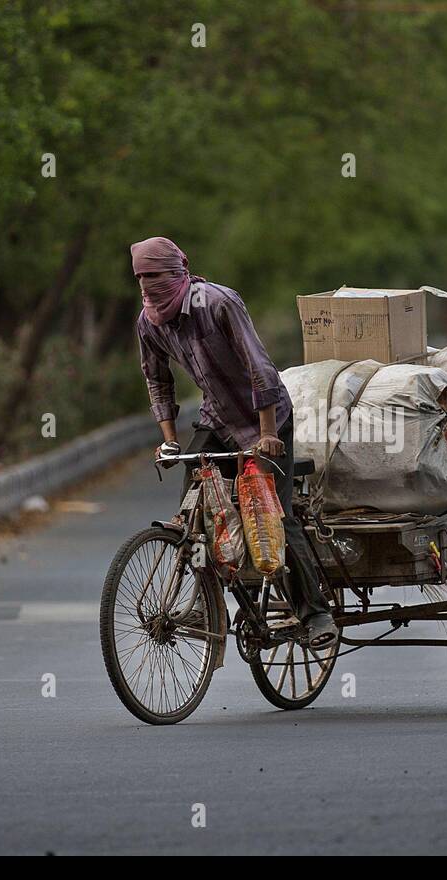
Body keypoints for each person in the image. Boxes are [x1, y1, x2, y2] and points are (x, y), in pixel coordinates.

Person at [131, 236, 338, 650]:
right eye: (139, 276)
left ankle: (315, 613)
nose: (146, 284)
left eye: (153, 275)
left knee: (273, 515)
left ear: (177, 272)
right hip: (216, 417)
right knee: (196, 514)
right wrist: (170, 442)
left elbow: (258, 366)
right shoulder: (149, 322)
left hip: (267, 416)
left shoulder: (217, 303)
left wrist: (265, 435)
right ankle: (204, 605)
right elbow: (158, 380)